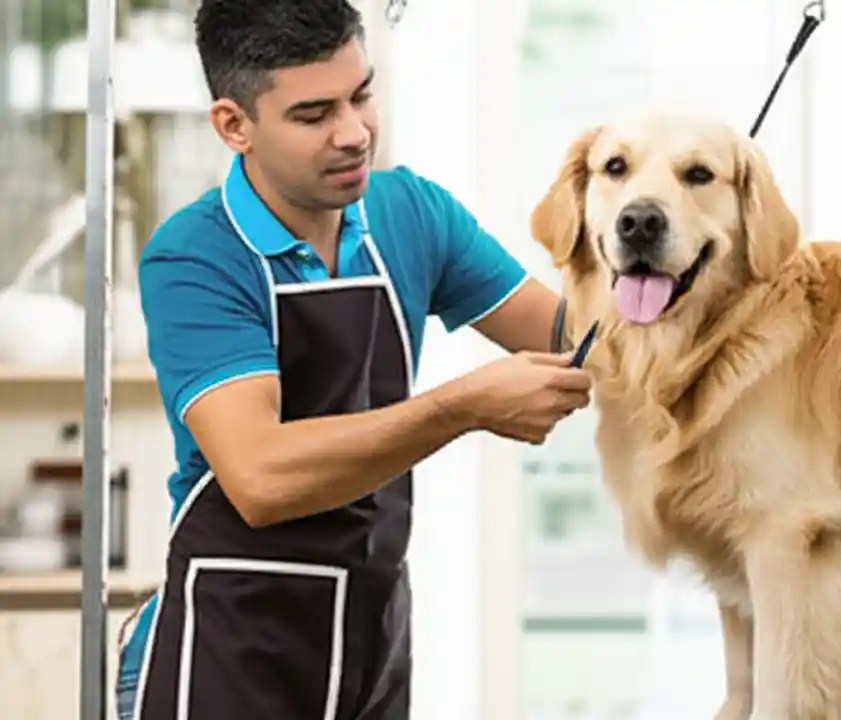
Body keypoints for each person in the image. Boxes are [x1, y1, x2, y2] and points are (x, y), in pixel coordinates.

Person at [114, 1, 592, 718]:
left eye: (362, 94)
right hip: (228, 652)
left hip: (369, 644)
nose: (355, 133)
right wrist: (461, 408)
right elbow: (261, 475)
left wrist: (666, 249)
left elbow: (569, 337)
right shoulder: (195, 256)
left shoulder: (414, 216)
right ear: (233, 125)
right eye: (314, 115)